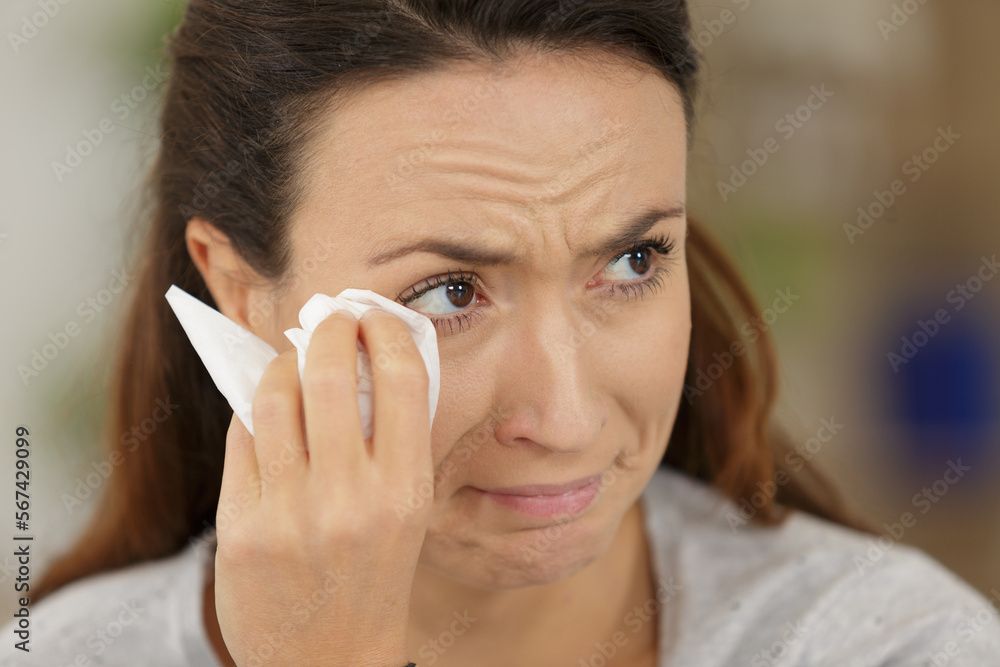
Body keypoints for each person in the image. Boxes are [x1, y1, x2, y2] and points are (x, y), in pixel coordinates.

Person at [5, 1, 1000, 665]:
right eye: (447, 292)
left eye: (632, 262)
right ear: (240, 292)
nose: (562, 417)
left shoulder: (885, 644)